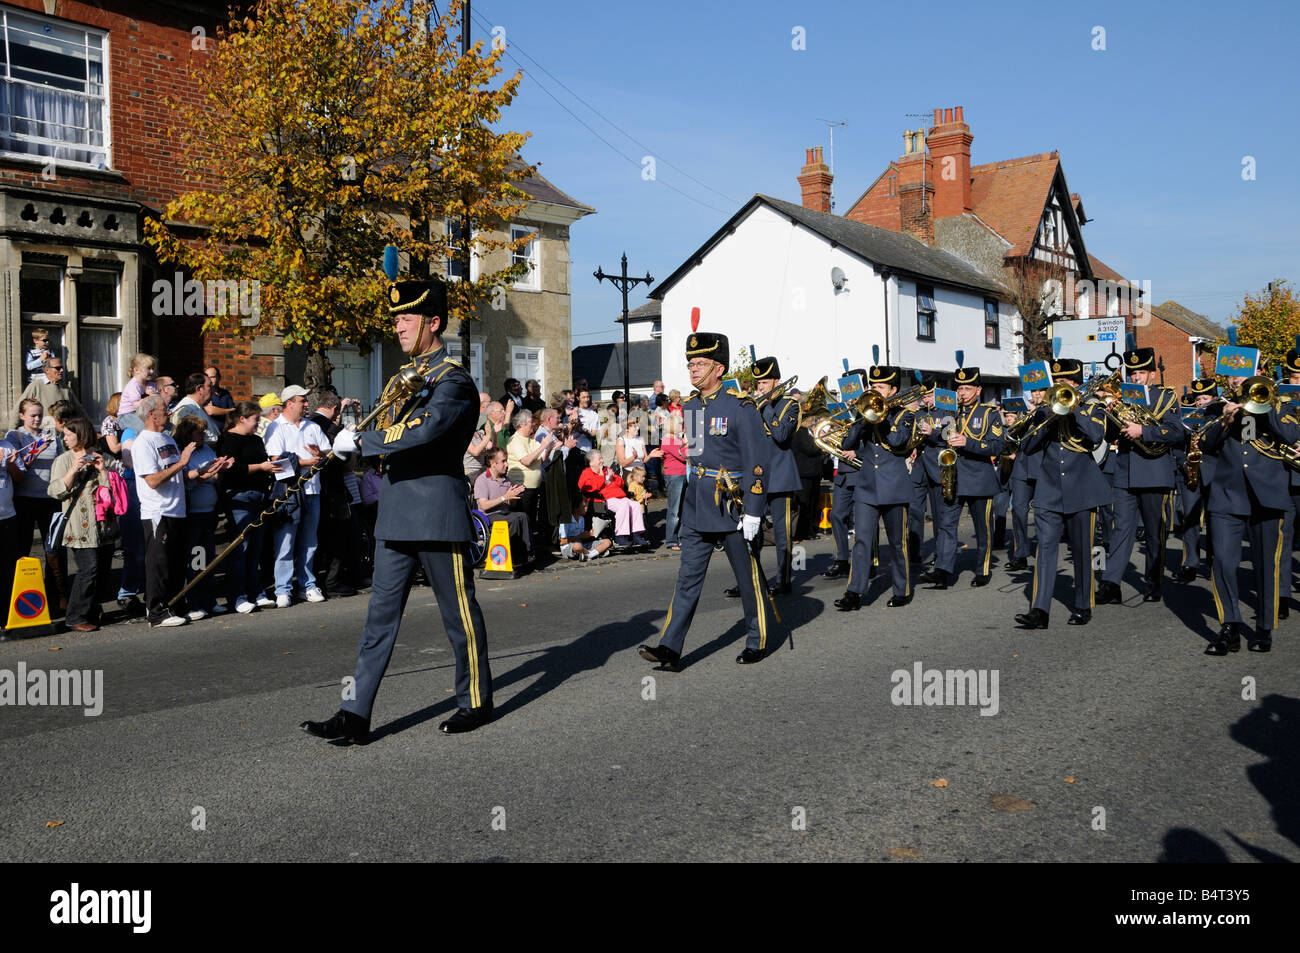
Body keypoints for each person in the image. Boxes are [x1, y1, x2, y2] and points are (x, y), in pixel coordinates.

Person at [302, 274, 492, 743]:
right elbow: (395, 436)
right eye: (396, 319)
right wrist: (356, 447)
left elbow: (424, 431)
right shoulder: (399, 380)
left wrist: (361, 440)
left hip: (436, 512)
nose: (399, 327)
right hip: (396, 512)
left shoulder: (453, 382)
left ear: (434, 322)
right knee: (378, 619)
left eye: (407, 318)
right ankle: (355, 712)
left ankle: (476, 700)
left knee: (458, 614)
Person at [637, 331, 774, 671]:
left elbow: (758, 462)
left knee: (747, 578)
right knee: (687, 579)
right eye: (690, 364)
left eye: (700, 364)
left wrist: (754, 510)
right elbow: (696, 457)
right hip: (698, 504)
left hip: (732, 505)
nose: (693, 370)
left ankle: (758, 639)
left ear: (719, 368)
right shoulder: (692, 406)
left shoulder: (741, 408)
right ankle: (670, 645)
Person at [1197, 370, 1298, 653]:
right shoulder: (1218, 407)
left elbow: (1291, 434)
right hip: (1228, 494)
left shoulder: (1283, 405)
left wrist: (1262, 408)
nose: (1235, 381)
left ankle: (1264, 627)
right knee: (1223, 563)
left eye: (1242, 375)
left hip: (1267, 495)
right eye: (1230, 376)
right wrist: (1226, 422)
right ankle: (1229, 626)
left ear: (1259, 375)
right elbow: (1205, 444)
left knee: (1266, 565)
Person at [1014, 359, 1110, 629]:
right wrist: (1045, 419)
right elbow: (1029, 446)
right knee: (1044, 550)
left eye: (1064, 384)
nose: (1058, 388)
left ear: (1076, 384)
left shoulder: (1093, 407)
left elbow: (1095, 436)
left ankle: (1082, 604)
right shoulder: (1045, 411)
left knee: (1082, 550)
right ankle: (1039, 610)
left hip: (1083, 488)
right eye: (1056, 383)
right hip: (1049, 489)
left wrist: (1073, 409)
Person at [1095, 348, 1185, 606]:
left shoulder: (1165, 396)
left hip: (1154, 471)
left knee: (1155, 532)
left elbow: (1176, 432)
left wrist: (1143, 430)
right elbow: (1108, 435)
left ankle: (1153, 582)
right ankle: (1111, 583)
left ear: (1152, 374)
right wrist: (1110, 412)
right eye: (1132, 373)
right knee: (1121, 529)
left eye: (1141, 373)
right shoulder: (1122, 396)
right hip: (1125, 471)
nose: (1135, 378)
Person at [833, 365, 916, 611]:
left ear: (893, 390)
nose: (875, 391)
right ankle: (854, 592)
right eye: (873, 387)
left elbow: (897, 441)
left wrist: (882, 416)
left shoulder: (904, 416)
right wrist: (861, 420)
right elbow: (847, 443)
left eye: (880, 388)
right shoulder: (864, 415)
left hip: (894, 486)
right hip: (867, 486)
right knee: (862, 541)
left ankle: (902, 589)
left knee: (897, 543)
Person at [919, 366, 1005, 588]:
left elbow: (997, 446)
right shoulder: (952, 412)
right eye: (960, 388)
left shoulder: (989, 413)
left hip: (979, 479)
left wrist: (969, 443)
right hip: (953, 478)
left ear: (978, 389)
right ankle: (943, 571)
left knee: (983, 528)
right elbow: (946, 438)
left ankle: (983, 569)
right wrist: (934, 433)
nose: (962, 393)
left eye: (967, 388)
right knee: (947, 525)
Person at [47, 418, 124, 632]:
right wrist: (73, 469)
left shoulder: (103, 457)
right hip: (79, 527)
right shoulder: (63, 460)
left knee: (102, 571)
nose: (65, 438)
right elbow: (54, 491)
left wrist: (102, 472)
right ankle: (75, 616)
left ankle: (91, 610)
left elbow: (115, 494)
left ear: (81, 435)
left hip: (104, 527)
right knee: (88, 570)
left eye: (69, 435)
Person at [132, 394, 195, 628]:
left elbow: (177, 474)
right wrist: (182, 462)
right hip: (157, 511)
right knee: (159, 563)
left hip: (177, 509)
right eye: (164, 408)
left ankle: (174, 605)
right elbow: (152, 480)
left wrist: (203, 472)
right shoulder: (143, 442)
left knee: (177, 563)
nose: (168, 412)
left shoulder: (167, 439)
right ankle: (156, 612)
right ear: (152, 414)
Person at [264, 384, 330, 606]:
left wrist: (321, 455)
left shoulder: (312, 426)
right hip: (289, 493)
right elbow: (276, 462)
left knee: (310, 541)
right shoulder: (276, 428)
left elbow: (327, 453)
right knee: (285, 541)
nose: (306, 404)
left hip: (312, 490)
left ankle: (307, 585)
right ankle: (283, 588)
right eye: (302, 400)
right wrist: (306, 462)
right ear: (289, 403)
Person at [217, 401, 282, 612]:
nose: (257, 424)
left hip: (259, 495)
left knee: (256, 548)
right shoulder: (227, 438)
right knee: (240, 547)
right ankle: (238, 595)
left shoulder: (255, 439)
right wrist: (261, 467)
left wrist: (269, 468)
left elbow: (262, 462)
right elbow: (232, 469)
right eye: (255, 419)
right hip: (239, 496)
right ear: (242, 418)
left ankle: (256, 591)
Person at [751, 356, 802, 596]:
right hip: (756, 475)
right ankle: (753, 579)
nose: (760, 386)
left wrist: (766, 406)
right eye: (758, 382)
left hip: (781, 476)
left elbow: (781, 435)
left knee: (782, 533)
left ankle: (784, 580)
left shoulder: (790, 405)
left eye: (764, 381)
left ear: (776, 381)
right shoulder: (752, 404)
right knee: (751, 531)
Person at [174, 415, 233, 620]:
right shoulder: (184, 453)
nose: (203, 435)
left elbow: (213, 477)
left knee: (208, 558)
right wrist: (204, 474)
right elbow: (186, 480)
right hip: (193, 514)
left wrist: (220, 469)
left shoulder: (206, 449)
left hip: (209, 512)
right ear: (188, 434)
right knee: (195, 560)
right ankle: (193, 602)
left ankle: (209, 600)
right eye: (199, 432)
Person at [6, 399, 62, 600]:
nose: (37, 419)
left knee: (53, 547)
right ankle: (20, 592)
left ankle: (56, 593)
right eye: (32, 415)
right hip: (25, 498)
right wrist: (37, 448)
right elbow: (17, 467)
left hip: (49, 498)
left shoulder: (51, 437)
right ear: (22, 416)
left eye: (40, 415)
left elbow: (60, 463)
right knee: (22, 546)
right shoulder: (15, 436)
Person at [823, 368, 866, 580]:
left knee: (864, 520)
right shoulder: (845, 412)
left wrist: (857, 451)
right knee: (837, 516)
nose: (851, 395)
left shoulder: (870, 411)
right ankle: (842, 560)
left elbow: (878, 444)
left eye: (854, 389)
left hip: (861, 470)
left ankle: (869, 561)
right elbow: (841, 440)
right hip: (843, 472)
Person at [506, 409, 558, 553]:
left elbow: (541, 459)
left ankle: (529, 550)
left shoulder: (531, 440)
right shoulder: (515, 440)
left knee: (531, 520)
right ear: (521, 424)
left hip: (534, 486)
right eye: (530, 422)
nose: (533, 425)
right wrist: (542, 446)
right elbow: (527, 460)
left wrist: (548, 447)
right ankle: (522, 551)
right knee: (523, 518)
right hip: (522, 487)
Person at [579, 449, 647, 547]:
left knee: (635, 505)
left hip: (618, 496)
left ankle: (637, 534)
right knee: (623, 505)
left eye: (602, 458)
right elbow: (586, 487)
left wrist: (612, 478)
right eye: (599, 459)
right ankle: (620, 535)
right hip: (603, 499)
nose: (602, 461)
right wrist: (602, 477)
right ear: (591, 462)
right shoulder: (587, 473)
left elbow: (621, 483)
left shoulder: (606, 470)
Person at [475, 447, 533, 562]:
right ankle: (513, 555)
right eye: (503, 461)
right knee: (514, 519)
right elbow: (484, 506)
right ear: (493, 463)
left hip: (505, 513)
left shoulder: (506, 480)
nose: (506, 464)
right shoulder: (482, 480)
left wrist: (513, 496)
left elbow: (510, 505)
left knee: (523, 516)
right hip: (488, 516)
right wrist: (504, 497)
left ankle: (526, 552)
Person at [18, 356, 84, 429]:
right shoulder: (36, 386)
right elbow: (19, 408)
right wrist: (11, 433)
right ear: (46, 370)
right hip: (41, 435)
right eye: (58, 368)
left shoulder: (66, 389)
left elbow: (79, 411)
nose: (61, 370)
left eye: (62, 368)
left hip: (62, 435)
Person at [0, 436, 21, 641]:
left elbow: (20, 478)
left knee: (7, 570)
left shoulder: (7, 446)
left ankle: (7, 618)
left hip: (8, 516)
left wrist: (11, 465)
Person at [661, 396, 688, 551]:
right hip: (675, 476)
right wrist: (686, 441)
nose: (682, 427)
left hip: (682, 474)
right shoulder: (668, 440)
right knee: (674, 509)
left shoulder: (676, 439)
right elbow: (684, 455)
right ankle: (671, 539)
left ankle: (680, 537)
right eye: (680, 424)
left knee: (683, 508)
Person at [171, 371, 221, 443]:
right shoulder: (185, 410)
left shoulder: (197, 407)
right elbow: (184, 442)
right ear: (199, 389)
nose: (212, 390)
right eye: (209, 386)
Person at [559, 495, 611, 560]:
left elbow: (582, 537)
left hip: (582, 545)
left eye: (586, 506)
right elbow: (562, 542)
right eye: (583, 506)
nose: (586, 508)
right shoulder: (566, 520)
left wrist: (589, 534)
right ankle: (592, 554)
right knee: (577, 546)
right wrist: (580, 536)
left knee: (607, 542)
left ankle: (589, 555)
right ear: (575, 508)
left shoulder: (581, 519)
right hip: (569, 547)